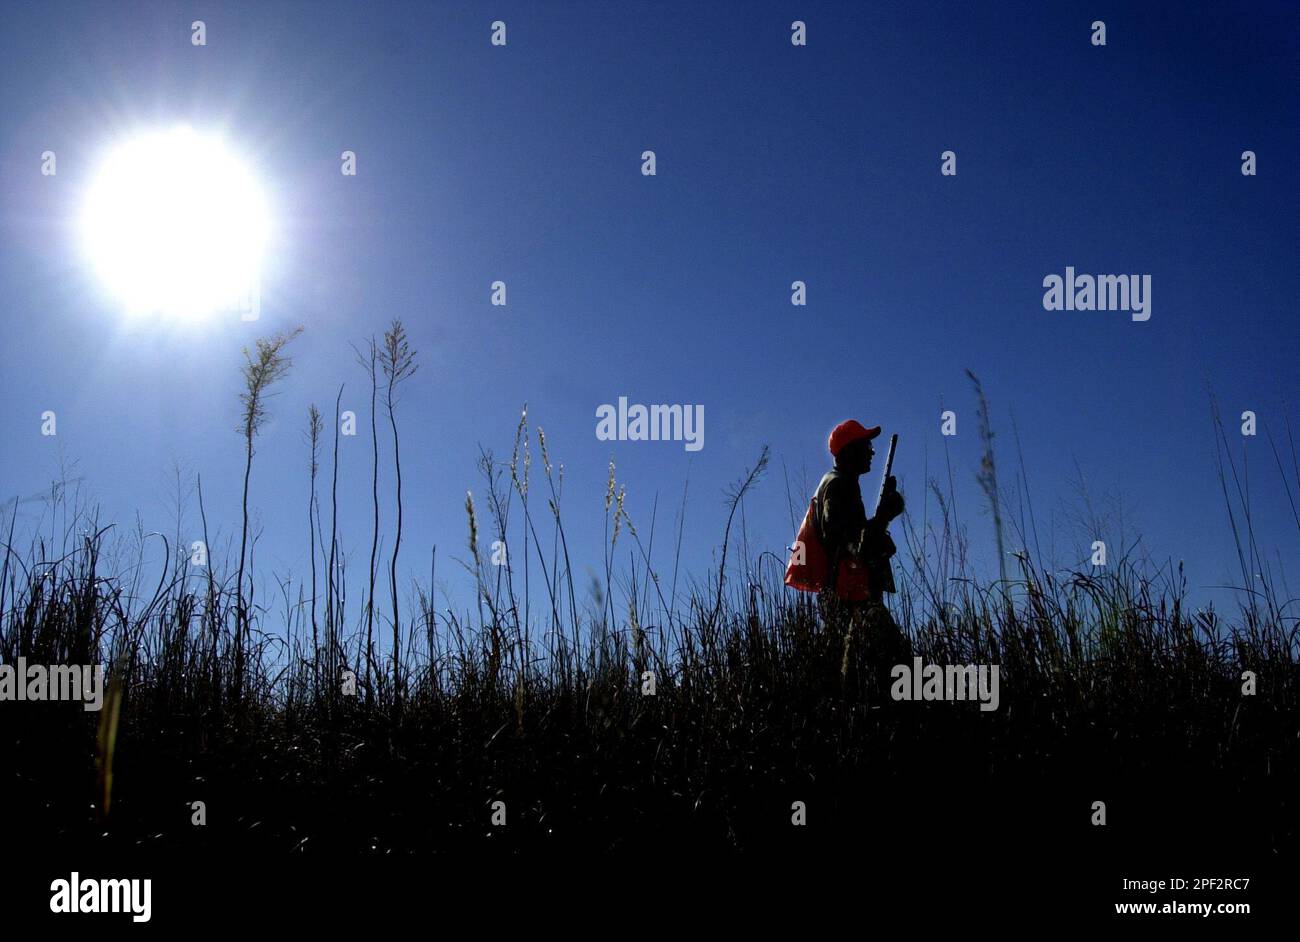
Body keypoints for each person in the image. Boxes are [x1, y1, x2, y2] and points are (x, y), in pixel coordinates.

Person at [815, 419, 910, 692]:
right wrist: (883, 517)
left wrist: (882, 519)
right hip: (849, 597)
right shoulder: (838, 486)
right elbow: (849, 546)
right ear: (848, 451)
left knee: (862, 672)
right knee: (896, 664)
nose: (871, 451)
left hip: (849, 594)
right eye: (865, 445)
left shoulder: (842, 484)